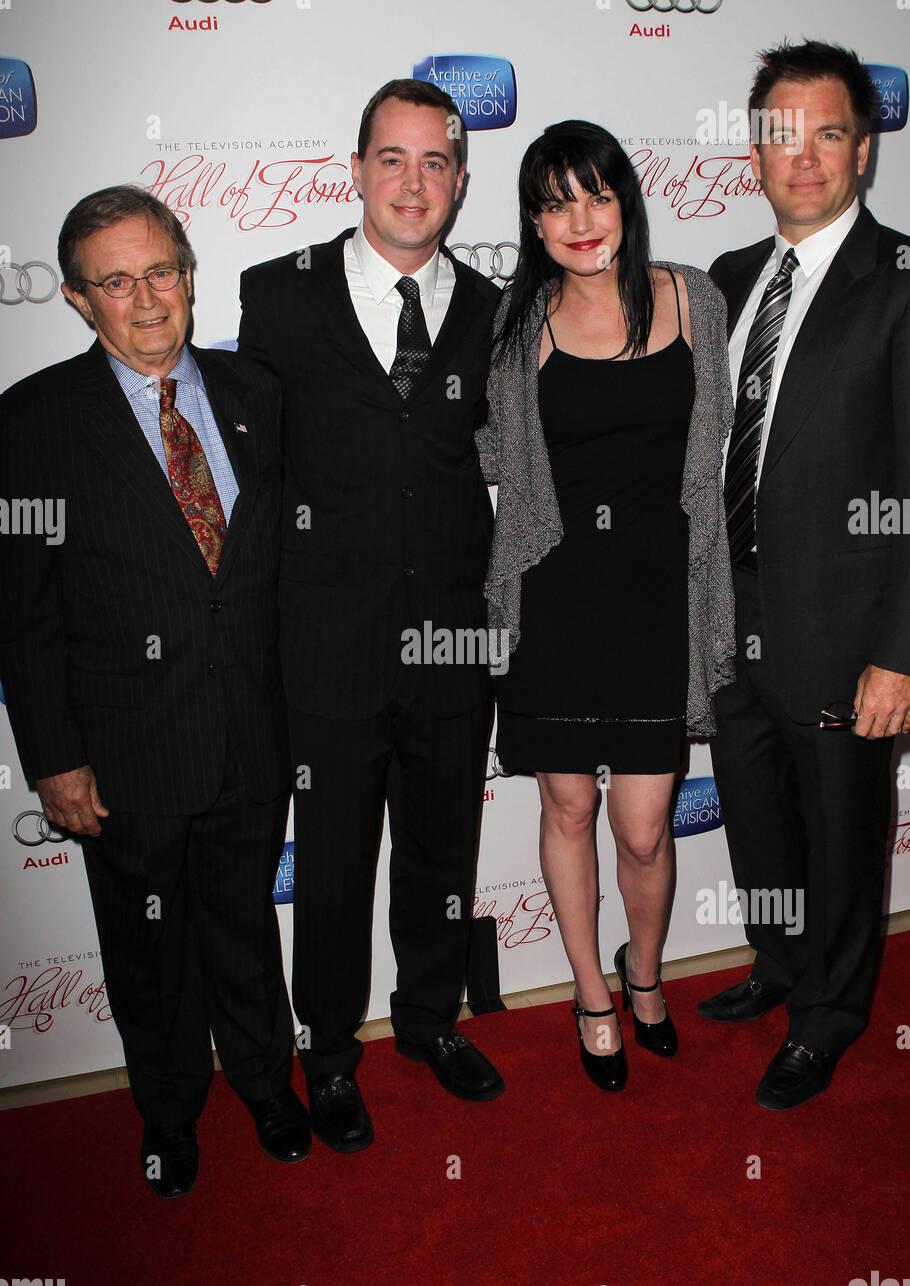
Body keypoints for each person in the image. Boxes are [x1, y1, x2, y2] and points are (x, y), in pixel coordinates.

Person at [0, 186, 309, 1197]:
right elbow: (23, 608)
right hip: (125, 753)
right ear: (80, 300)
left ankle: (268, 1085)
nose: (145, 299)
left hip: (252, 737)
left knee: (244, 930)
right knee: (146, 950)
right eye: (116, 281)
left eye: (160, 271)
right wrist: (52, 754)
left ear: (189, 272)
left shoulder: (253, 391)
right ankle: (168, 1113)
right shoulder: (35, 420)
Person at [237, 79, 504, 1153]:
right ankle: (330, 1054)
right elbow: (255, 488)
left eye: (435, 161)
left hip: (451, 646)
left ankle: (431, 1022)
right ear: (355, 171)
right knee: (336, 864)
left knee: (443, 853)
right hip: (328, 650)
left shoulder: (493, 307)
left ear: (458, 181)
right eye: (390, 159)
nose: (412, 181)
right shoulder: (278, 295)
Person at [478, 121, 736, 1089]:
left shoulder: (693, 298)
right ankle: (592, 993)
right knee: (566, 801)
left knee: (640, 827)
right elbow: (488, 453)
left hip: (659, 598)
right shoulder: (516, 329)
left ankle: (644, 971)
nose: (579, 221)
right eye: (553, 203)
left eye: (595, 195)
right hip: (555, 600)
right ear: (533, 224)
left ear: (625, 200)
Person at [698, 40, 910, 1109]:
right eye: (783, 133)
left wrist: (898, 654)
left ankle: (828, 1014)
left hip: (847, 631)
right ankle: (777, 968)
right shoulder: (732, 280)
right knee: (758, 818)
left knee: (840, 837)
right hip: (733, 624)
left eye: (829, 131)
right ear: (754, 152)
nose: (806, 155)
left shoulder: (901, 283)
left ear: (864, 150)